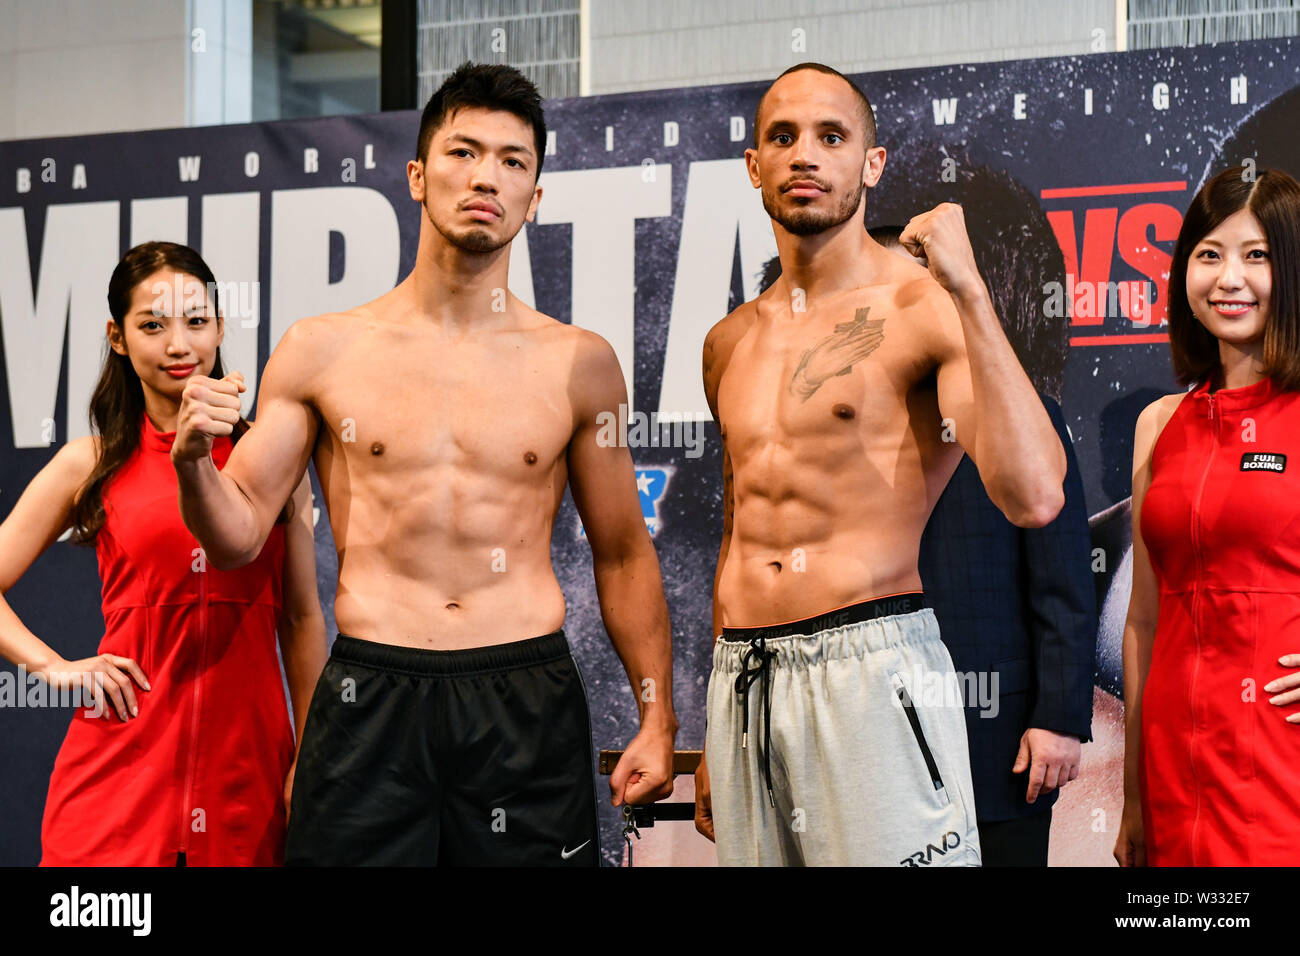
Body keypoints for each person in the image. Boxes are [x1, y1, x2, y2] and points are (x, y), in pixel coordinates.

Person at [170, 62, 677, 866]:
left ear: (535, 198)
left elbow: (621, 552)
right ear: (416, 175)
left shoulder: (581, 365)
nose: (487, 177)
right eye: (463, 152)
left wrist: (657, 714)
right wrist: (194, 464)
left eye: (514, 162)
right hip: (370, 696)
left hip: (526, 702)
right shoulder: (321, 349)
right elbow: (235, 534)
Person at [693, 62, 1066, 866]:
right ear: (753, 166)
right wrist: (716, 718)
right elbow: (736, 531)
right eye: (782, 137)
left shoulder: (921, 308)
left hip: (872, 666)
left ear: (872, 164)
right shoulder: (728, 343)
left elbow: (1034, 495)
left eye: (832, 137)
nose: (805, 156)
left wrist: (968, 292)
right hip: (744, 680)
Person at [0, 241, 324, 866]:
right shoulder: (89, 463)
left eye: (196, 322)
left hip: (248, 777)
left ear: (220, 328)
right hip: (115, 779)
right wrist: (51, 667)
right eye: (152, 325)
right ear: (117, 338)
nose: (179, 345)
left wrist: (311, 760)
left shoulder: (272, 461)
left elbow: (303, 619)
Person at [1115, 165, 1300, 867]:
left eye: (1258, 256)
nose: (1230, 278)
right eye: (1209, 254)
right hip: (1170, 768)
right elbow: (1141, 621)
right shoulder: (1160, 423)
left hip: (1281, 760)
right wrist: (1133, 796)